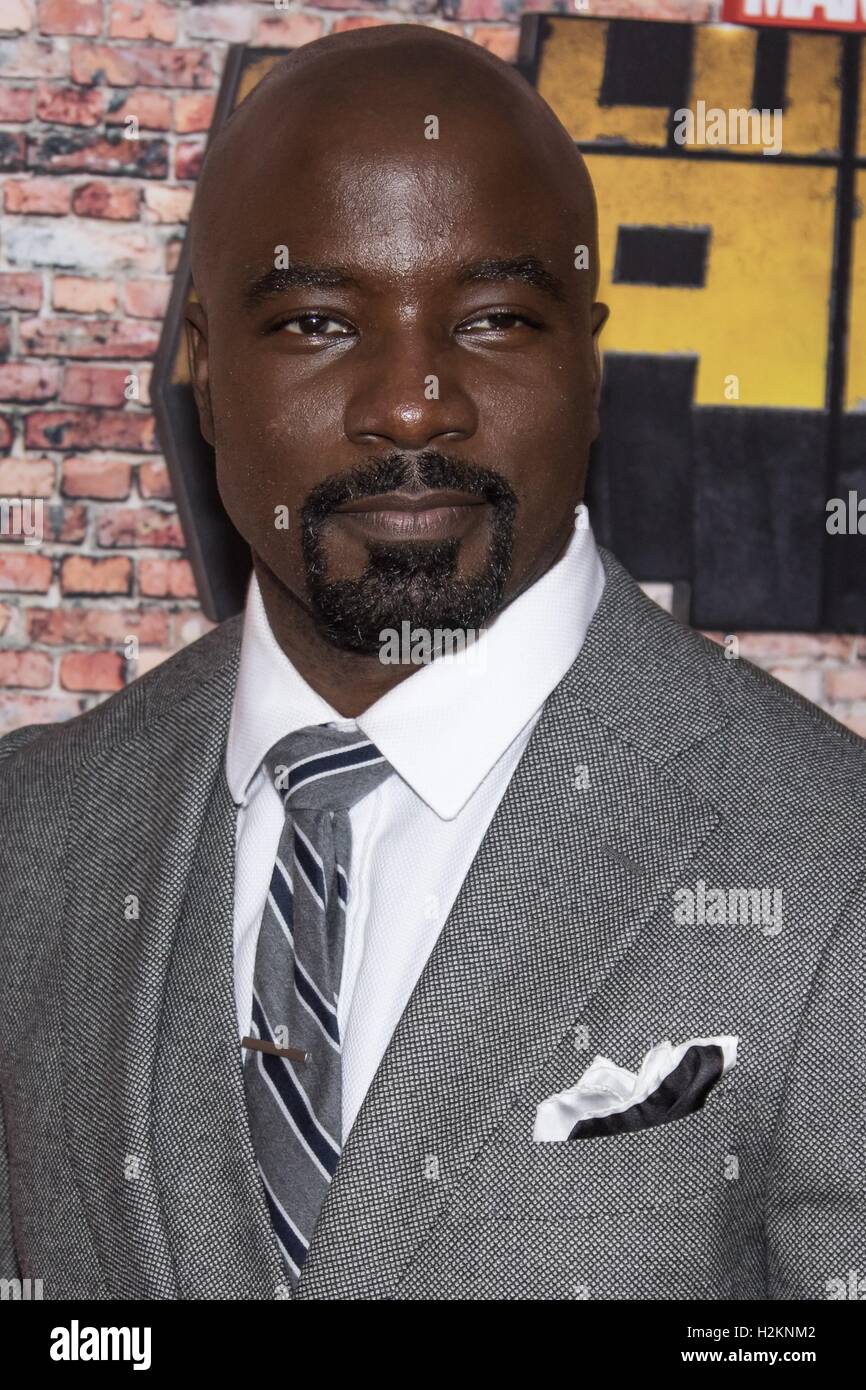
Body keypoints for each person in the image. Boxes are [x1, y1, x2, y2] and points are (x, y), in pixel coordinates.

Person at [1, 24, 864, 1302]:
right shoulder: (31, 832)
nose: (411, 403)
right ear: (200, 361)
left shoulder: (829, 859)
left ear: (587, 355)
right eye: (314, 321)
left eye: (495, 318)